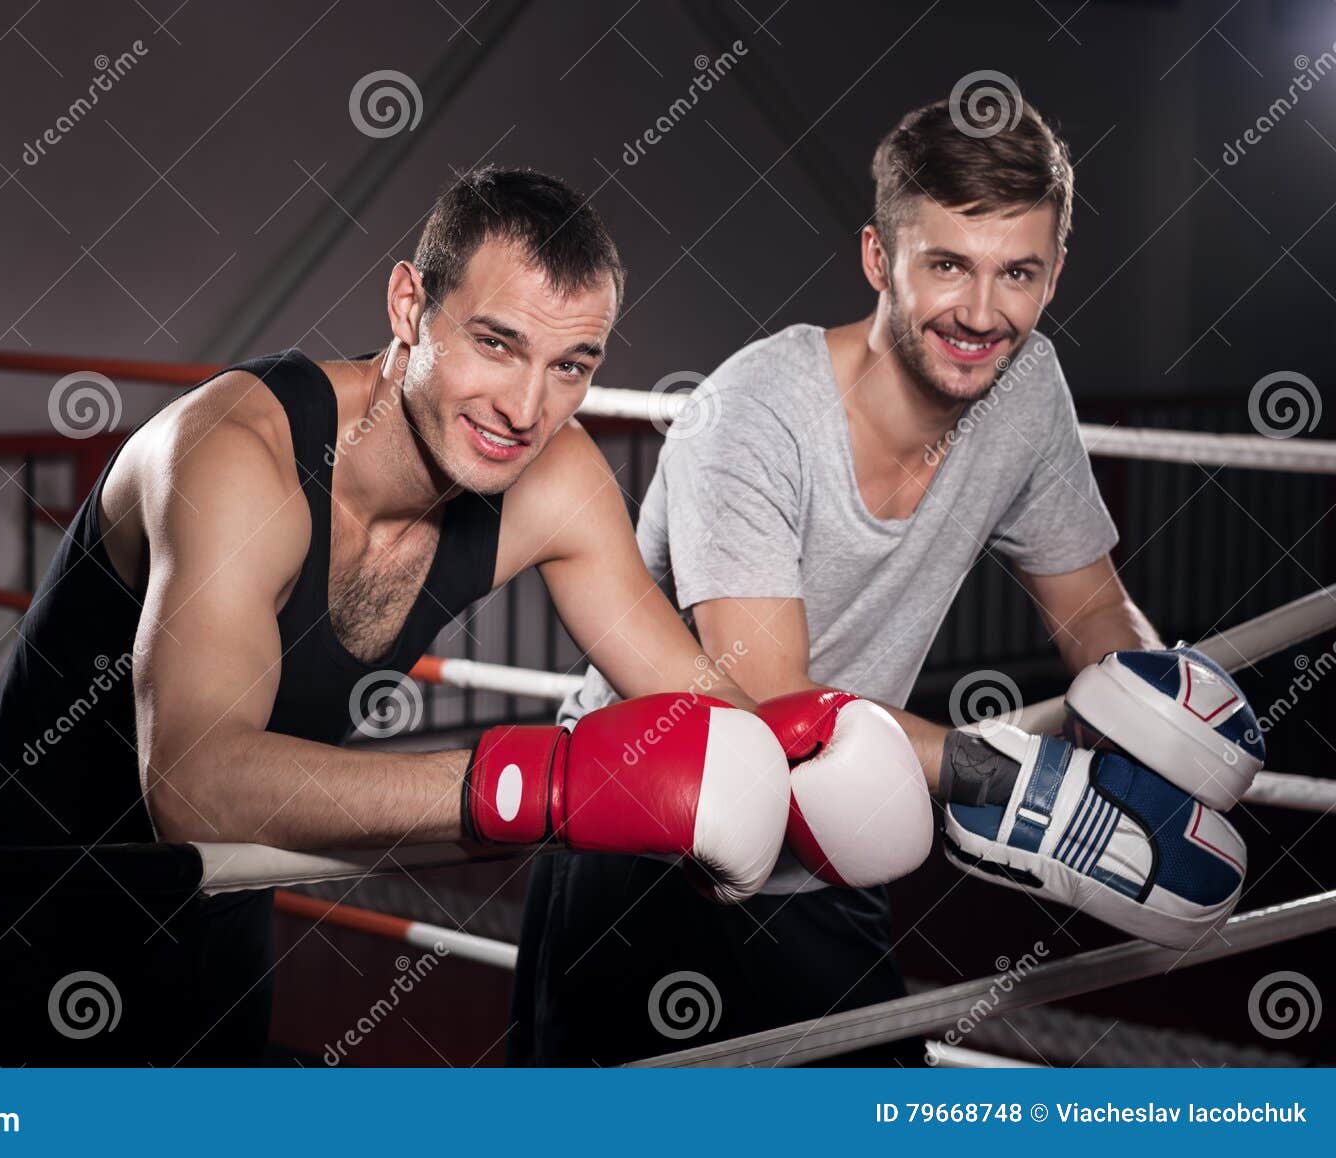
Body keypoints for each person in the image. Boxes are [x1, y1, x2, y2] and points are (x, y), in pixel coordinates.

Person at [0, 166, 918, 1066]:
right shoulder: (235, 455)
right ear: (410, 305)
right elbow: (191, 781)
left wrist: (823, 760)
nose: (527, 408)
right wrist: (545, 785)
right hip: (24, 898)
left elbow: (694, 702)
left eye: (571, 365)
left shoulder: (552, 480)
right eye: (497, 344)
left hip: (217, 894)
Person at [511, 97, 1256, 1067]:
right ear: (878, 260)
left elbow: (1086, 607)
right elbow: (768, 705)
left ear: (1052, 274)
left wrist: (1150, 700)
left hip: (839, 832)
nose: (981, 314)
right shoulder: (754, 415)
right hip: (648, 836)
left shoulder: (1026, 389)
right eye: (946, 265)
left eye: (1015, 273)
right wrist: (1011, 780)